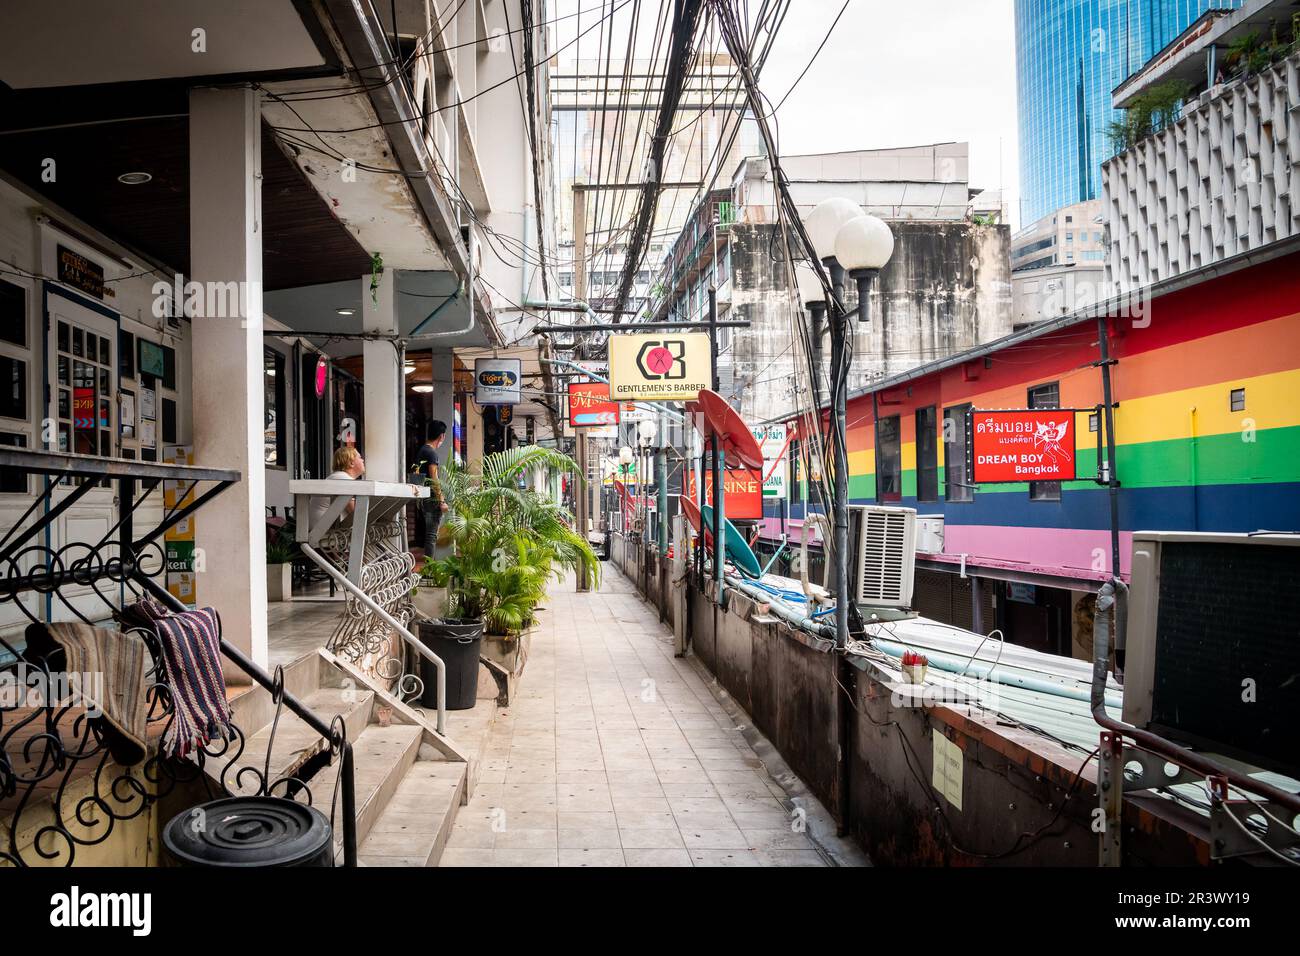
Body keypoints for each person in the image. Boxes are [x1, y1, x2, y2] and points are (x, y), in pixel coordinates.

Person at [308, 445, 365, 532]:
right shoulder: (343, 479)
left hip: (323, 528)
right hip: (323, 532)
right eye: (360, 457)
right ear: (351, 463)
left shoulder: (338, 477)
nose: (363, 460)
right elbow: (356, 511)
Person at [411, 421, 448, 554]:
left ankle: (428, 568)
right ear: (441, 436)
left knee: (429, 535)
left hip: (423, 498)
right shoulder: (431, 453)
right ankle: (429, 570)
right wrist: (442, 501)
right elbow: (434, 479)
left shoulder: (422, 450)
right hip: (432, 499)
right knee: (432, 535)